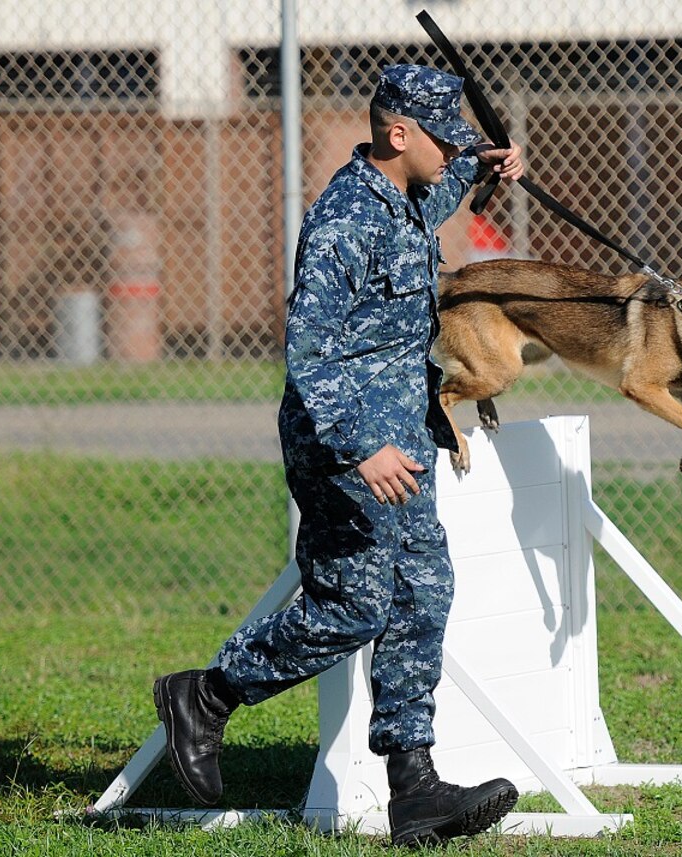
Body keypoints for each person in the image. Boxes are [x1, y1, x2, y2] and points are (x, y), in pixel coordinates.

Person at [152, 63, 525, 848]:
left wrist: (489, 166)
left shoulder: (411, 190)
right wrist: (361, 449)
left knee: (424, 591)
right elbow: (310, 356)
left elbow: (451, 180)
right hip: (346, 445)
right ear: (399, 135)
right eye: (442, 140)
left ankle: (414, 787)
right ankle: (207, 693)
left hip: (407, 438)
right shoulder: (344, 221)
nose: (452, 154)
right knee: (352, 606)